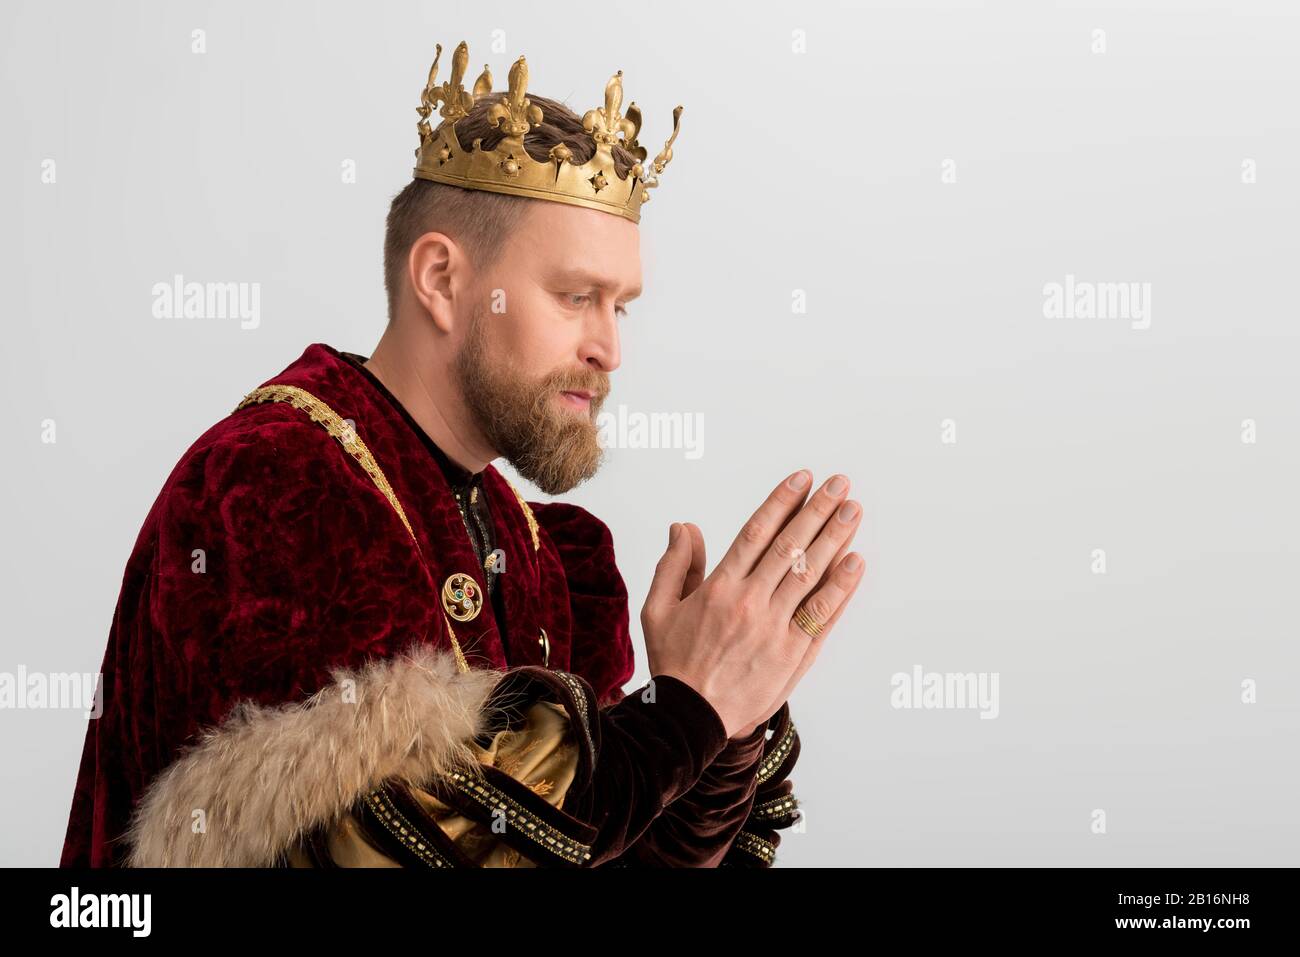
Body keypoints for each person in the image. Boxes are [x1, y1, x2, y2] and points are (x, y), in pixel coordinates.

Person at [59, 39, 865, 868]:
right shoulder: (273, 486)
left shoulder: (531, 540)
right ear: (441, 279)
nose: (609, 348)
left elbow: (595, 851)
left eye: (621, 306)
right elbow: (395, 850)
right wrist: (684, 713)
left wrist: (719, 727)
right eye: (577, 296)